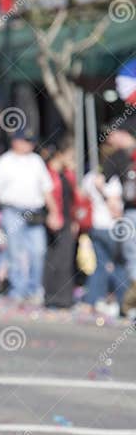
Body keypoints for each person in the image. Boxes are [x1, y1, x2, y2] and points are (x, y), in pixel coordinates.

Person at [0, 125, 61, 303]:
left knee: (38, 251)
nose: (28, 145)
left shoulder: (36, 161)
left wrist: (54, 212)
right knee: (15, 252)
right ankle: (18, 290)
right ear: (15, 141)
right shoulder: (4, 161)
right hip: (12, 211)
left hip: (34, 212)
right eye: (25, 141)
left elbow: (47, 190)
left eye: (31, 142)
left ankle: (34, 289)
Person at [82, 163, 126, 312]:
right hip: (111, 227)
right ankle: (123, 303)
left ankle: (91, 302)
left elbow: (82, 195)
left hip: (95, 226)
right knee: (120, 265)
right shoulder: (112, 180)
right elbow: (115, 208)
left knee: (100, 266)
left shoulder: (88, 178)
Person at [43, 140, 81, 309]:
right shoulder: (48, 173)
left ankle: (64, 297)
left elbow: (75, 199)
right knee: (53, 259)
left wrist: (74, 220)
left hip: (67, 220)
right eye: (70, 156)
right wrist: (52, 215)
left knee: (66, 259)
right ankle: (51, 295)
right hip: (52, 220)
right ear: (60, 154)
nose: (73, 160)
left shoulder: (67, 175)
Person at [101, 129, 136, 314]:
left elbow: (100, 181)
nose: (109, 140)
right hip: (129, 212)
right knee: (130, 257)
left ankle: (130, 305)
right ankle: (129, 304)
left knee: (131, 258)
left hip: (130, 212)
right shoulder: (119, 156)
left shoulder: (120, 156)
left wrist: (109, 200)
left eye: (111, 135)